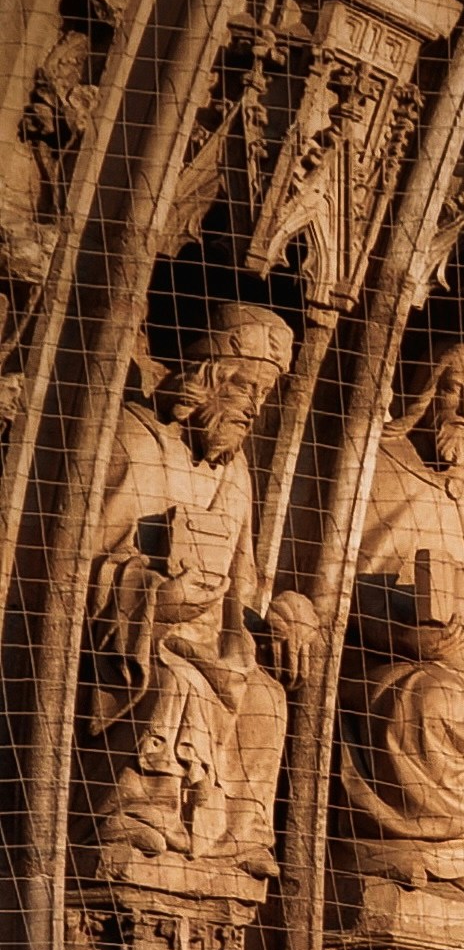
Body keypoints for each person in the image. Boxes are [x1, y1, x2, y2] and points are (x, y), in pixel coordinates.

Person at [82, 306, 318, 895]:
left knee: (265, 699)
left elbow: (244, 589)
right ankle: (136, 813)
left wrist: (284, 615)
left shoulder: (234, 473)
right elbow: (77, 565)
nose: (254, 407)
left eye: (264, 394)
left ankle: (238, 835)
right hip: (130, 634)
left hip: (211, 640)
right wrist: (157, 597)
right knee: (171, 680)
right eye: (245, 387)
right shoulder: (133, 439)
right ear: (205, 377)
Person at [340, 339, 464, 949]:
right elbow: (343, 583)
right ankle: (399, 850)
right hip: (386, 656)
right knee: (429, 702)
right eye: (453, 388)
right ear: (426, 392)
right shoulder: (381, 466)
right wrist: (407, 634)